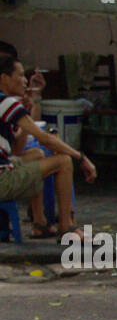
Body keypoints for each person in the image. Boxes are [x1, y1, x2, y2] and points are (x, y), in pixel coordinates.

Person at [0, 53, 94, 236]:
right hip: (2, 180)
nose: (24, 81)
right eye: (19, 76)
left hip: (4, 168)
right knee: (64, 161)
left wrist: (27, 109)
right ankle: (67, 227)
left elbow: (17, 150)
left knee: (37, 154)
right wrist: (81, 157)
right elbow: (45, 138)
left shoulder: (7, 105)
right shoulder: (5, 102)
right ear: (4, 78)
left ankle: (40, 223)